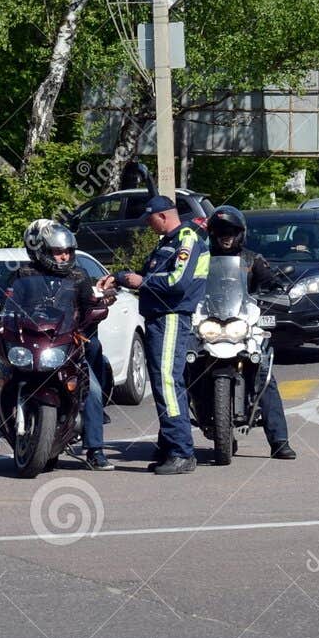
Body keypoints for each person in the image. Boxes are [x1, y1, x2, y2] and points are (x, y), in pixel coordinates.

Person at [0, 221, 114, 472]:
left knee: (91, 389)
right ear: (42, 252)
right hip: (28, 340)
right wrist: (1, 314)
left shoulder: (79, 275)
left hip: (66, 341)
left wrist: (99, 304)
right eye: (59, 252)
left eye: (69, 251)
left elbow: (88, 305)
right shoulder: (22, 274)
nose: (65, 256)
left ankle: (96, 450)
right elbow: (9, 305)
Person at [114, 196, 210, 475]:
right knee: (161, 384)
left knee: (167, 382)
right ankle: (170, 446)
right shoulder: (167, 242)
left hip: (171, 316)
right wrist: (119, 277)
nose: (147, 225)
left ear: (163, 216)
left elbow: (178, 282)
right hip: (160, 317)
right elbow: (146, 275)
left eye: (150, 219)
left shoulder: (186, 238)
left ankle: (181, 452)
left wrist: (143, 282)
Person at [198, 206, 296, 461]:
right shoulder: (202, 260)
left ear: (240, 233)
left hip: (243, 326)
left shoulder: (252, 260)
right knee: (187, 369)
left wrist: (276, 289)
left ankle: (279, 441)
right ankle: (170, 442)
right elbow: (191, 284)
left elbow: (272, 282)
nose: (225, 236)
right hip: (210, 323)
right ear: (212, 233)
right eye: (220, 231)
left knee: (264, 374)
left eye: (231, 231)